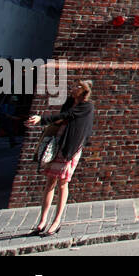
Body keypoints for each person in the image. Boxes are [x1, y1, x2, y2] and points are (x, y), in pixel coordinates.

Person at [25, 79, 95, 237]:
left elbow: (67, 116)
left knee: (63, 183)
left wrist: (41, 119)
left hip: (70, 148)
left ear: (85, 90)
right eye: (75, 85)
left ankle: (56, 221)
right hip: (57, 143)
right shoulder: (69, 103)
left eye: (78, 86)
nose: (74, 88)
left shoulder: (87, 106)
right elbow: (61, 118)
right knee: (50, 181)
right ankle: (42, 220)